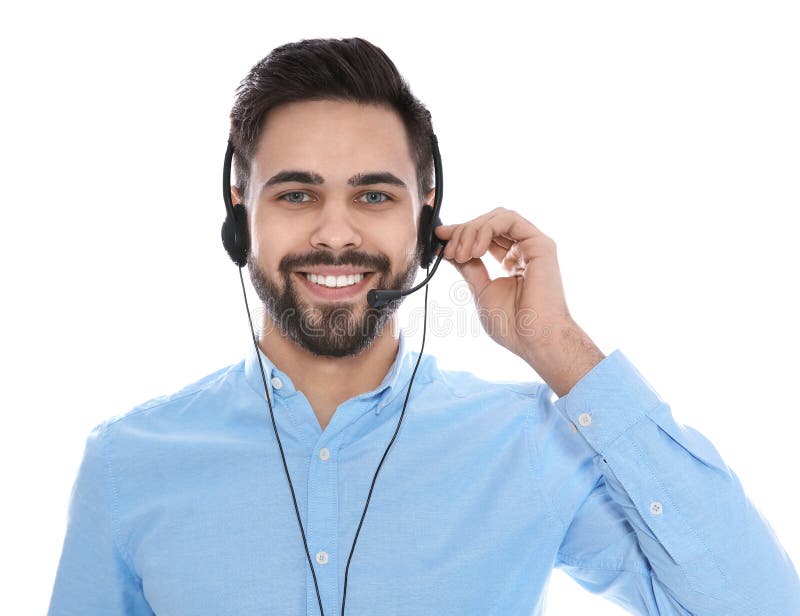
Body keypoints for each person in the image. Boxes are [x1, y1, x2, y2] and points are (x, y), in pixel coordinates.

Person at [48, 37, 800, 616]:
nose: (335, 235)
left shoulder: (527, 445)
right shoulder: (128, 463)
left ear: (427, 211)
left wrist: (558, 347)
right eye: (297, 196)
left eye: (373, 196)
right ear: (240, 210)